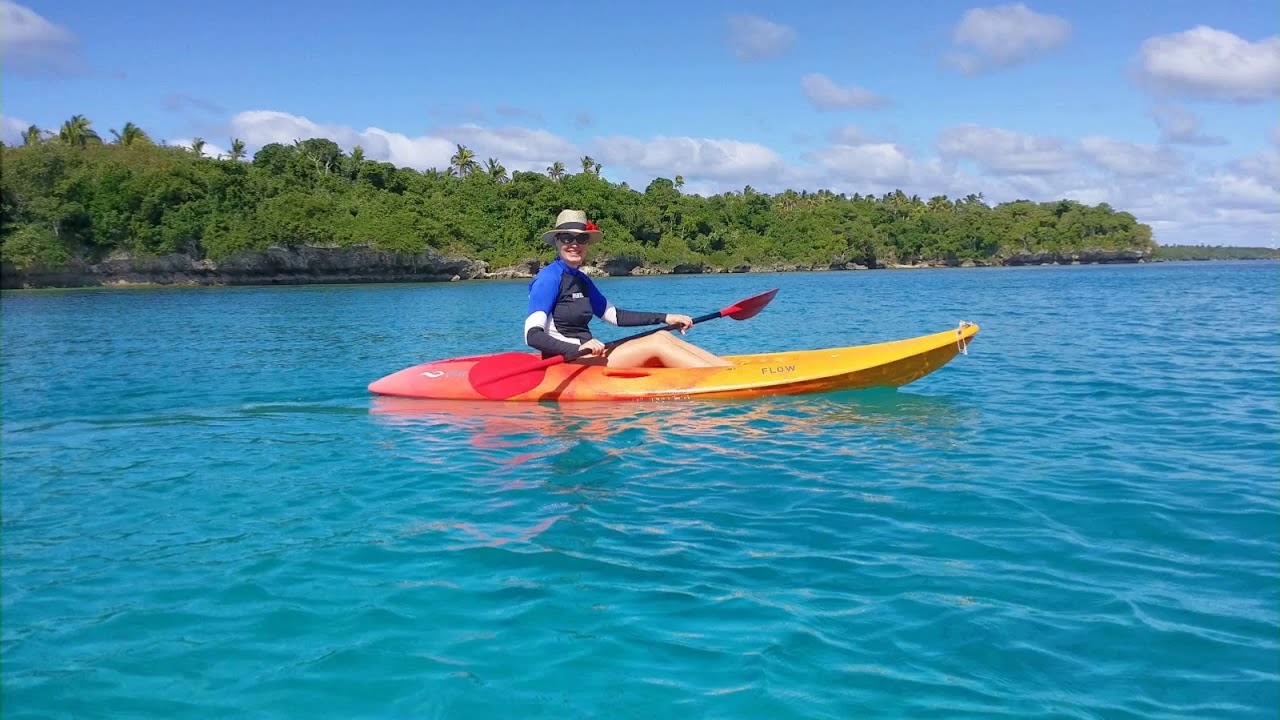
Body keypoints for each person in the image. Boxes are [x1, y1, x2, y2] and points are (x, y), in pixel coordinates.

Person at [523, 209, 732, 368]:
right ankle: (723, 378)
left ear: (587, 243)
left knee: (662, 336)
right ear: (557, 242)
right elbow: (532, 336)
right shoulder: (548, 278)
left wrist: (666, 317)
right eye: (567, 238)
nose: (575, 244)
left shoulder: (581, 279)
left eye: (581, 238)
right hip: (568, 362)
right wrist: (577, 348)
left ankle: (727, 369)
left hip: (590, 355)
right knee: (656, 346)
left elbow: (614, 316)